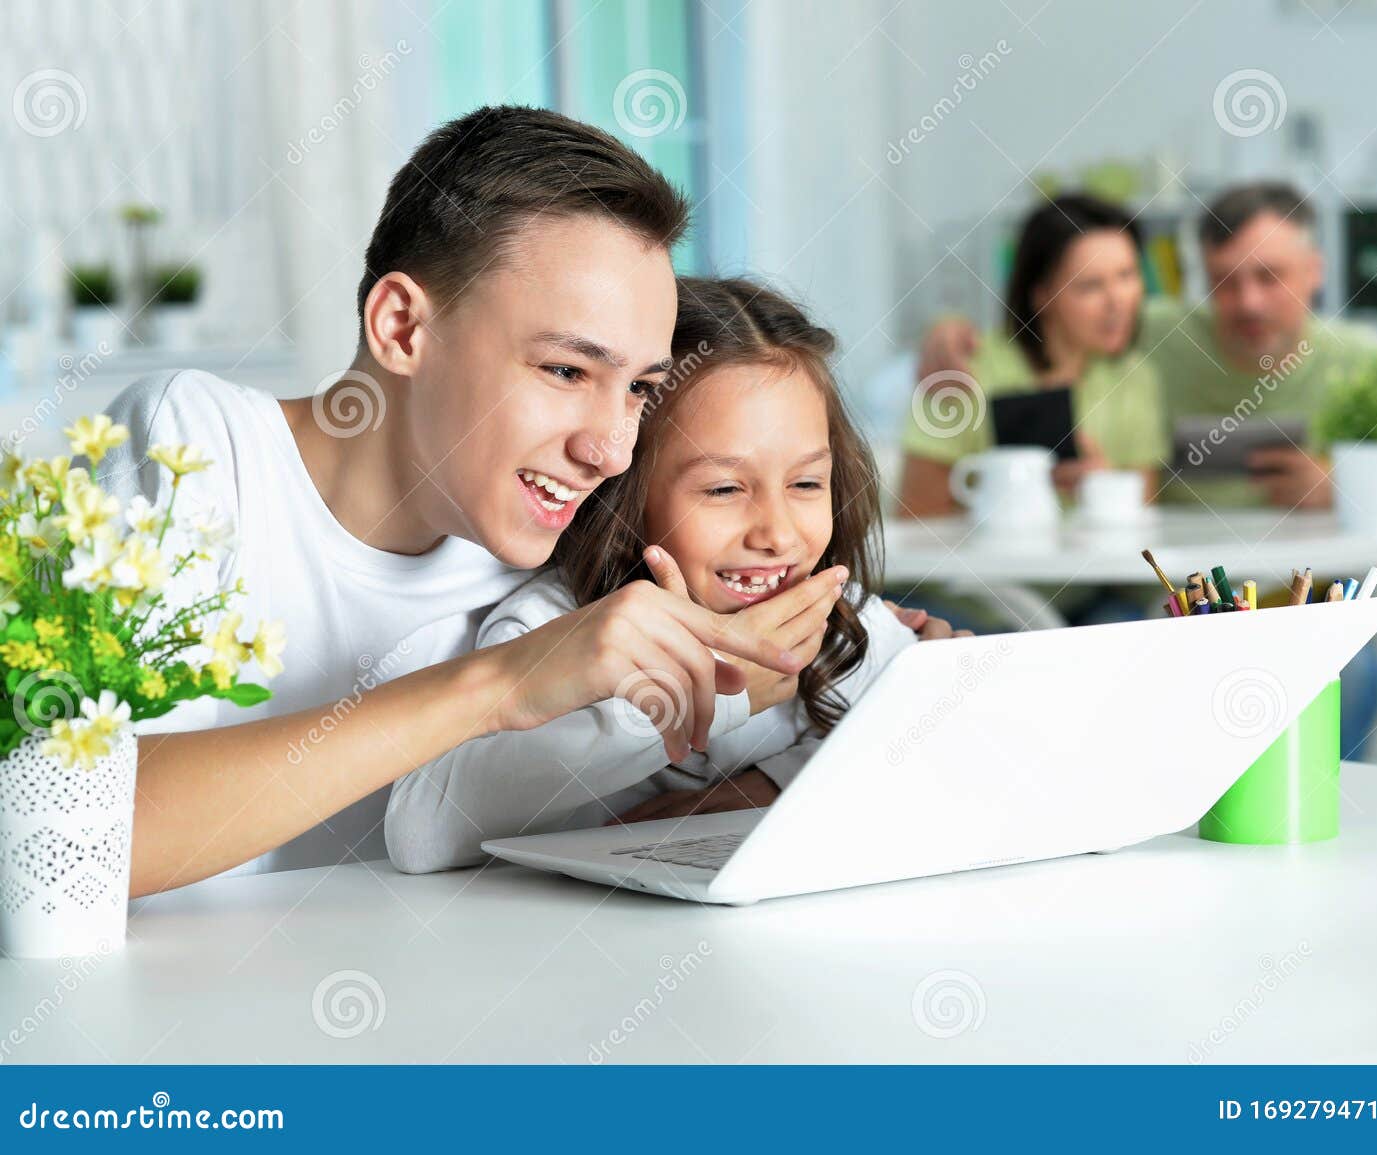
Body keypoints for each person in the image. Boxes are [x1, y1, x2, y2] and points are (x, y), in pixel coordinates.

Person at [98, 107, 937, 898]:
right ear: (400, 328)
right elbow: (67, 837)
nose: (610, 449)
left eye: (640, 389)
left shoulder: (553, 536)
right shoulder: (195, 451)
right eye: (566, 371)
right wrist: (499, 683)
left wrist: (854, 689)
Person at [387, 278, 936, 872]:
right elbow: (423, 839)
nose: (777, 534)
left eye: (805, 484)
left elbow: (951, 750)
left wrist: (779, 782)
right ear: (629, 494)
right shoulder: (551, 631)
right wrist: (707, 701)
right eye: (724, 489)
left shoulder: (838, 624)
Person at [917, 181, 1377, 517]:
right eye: (1225, 282)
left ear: (1315, 271)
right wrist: (946, 330)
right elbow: (1058, 318)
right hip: (1176, 591)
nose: (1249, 303)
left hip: (1303, 586)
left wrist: (1341, 487)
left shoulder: (1364, 362)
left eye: (1271, 277)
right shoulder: (1148, 334)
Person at [898, 193, 1166, 519]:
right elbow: (916, 519)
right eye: (1090, 286)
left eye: (1127, 276)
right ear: (1041, 296)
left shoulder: (1135, 377)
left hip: (1093, 568)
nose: (1117, 302)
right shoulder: (964, 367)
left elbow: (1145, 515)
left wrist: (1103, 486)